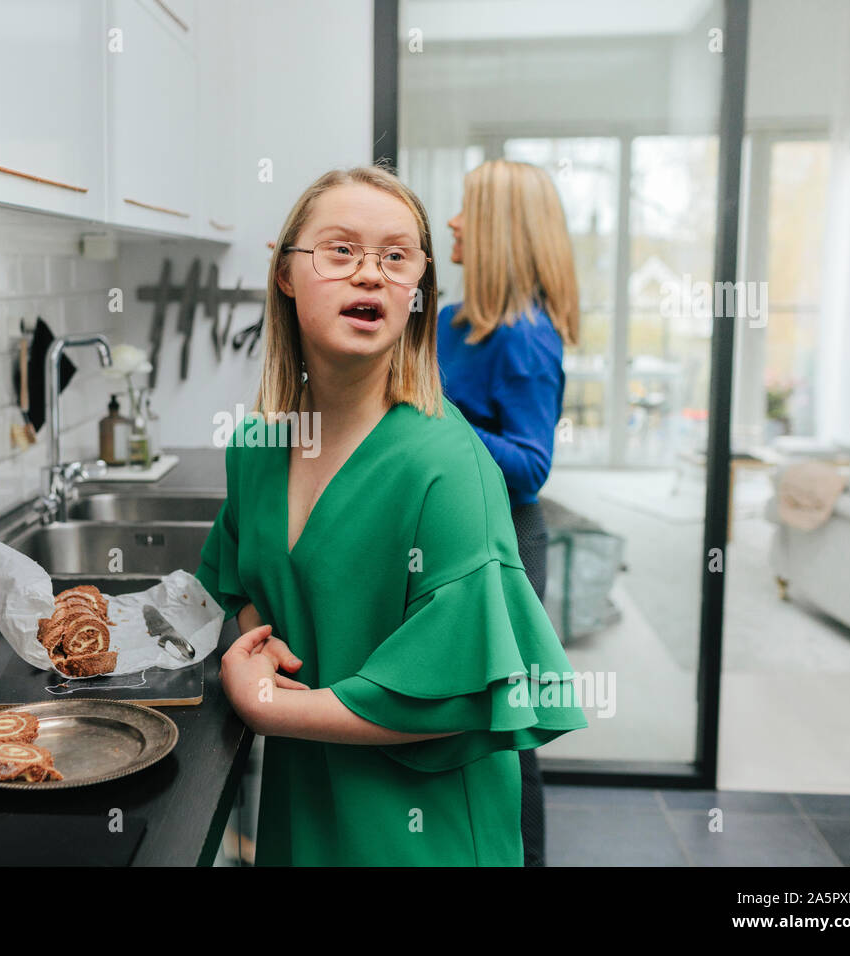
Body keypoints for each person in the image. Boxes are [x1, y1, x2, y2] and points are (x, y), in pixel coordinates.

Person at [195, 164, 586, 866]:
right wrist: (259, 644)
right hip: (304, 810)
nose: (370, 274)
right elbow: (241, 580)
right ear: (286, 273)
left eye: (396, 256)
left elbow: (453, 693)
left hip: (421, 835)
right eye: (340, 250)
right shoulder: (257, 446)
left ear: (416, 291)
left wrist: (267, 706)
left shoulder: (448, 466)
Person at [438, 159, 581, 867]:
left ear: (500, 229)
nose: (453, 222)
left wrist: (439, 416)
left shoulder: (523, 336)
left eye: (466, 210)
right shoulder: (448, 324)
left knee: (508, 733)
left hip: (508, 550)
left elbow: (530, 467)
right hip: (455, 541)